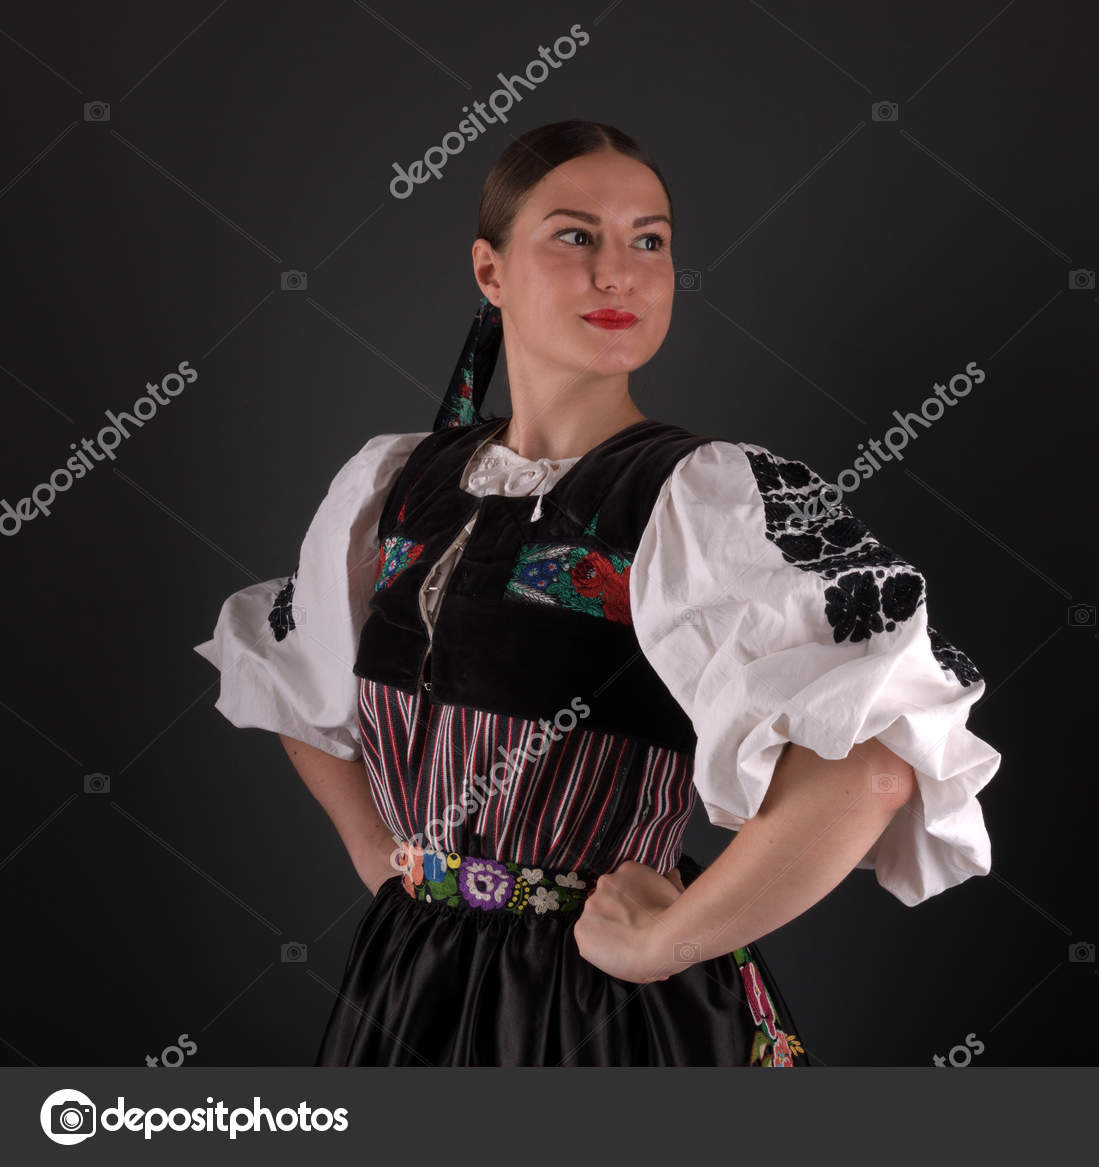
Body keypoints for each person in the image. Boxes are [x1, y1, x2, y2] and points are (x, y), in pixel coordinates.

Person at [194, 119, 1001, 1067]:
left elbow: (871, 770)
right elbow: (292, 674)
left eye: (648, 241)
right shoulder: (399, 482)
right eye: (576, 236)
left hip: (595, 1005)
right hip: (412, 977)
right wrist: (385, 854)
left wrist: (668, 938)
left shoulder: (701, 500)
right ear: (490, 273)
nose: (618, 273)